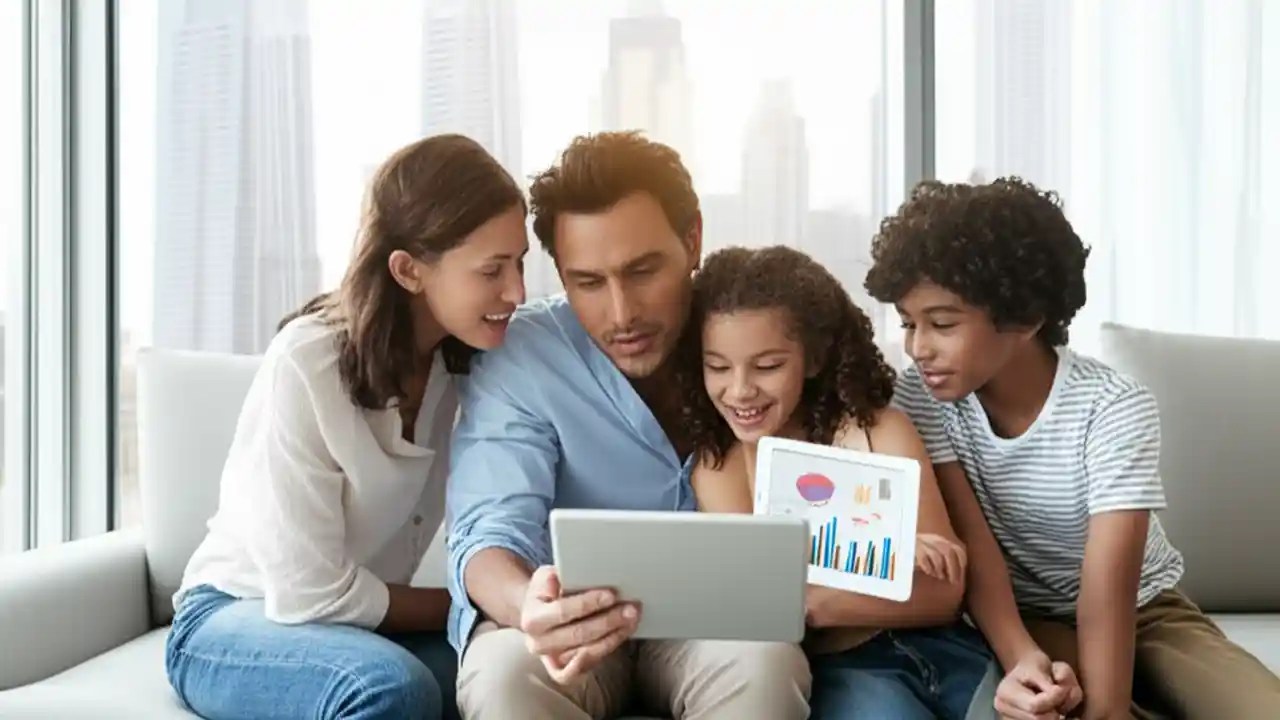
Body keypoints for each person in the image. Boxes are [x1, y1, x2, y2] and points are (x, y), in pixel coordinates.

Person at [865, 177, 1280, 720]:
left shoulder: (1113, 406)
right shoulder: (920, 395)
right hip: (1019, 615)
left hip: (1144, 608)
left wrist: (1108, 711)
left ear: (1024, 317)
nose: (919, 347)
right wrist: (1021, 658)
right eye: (908, 323)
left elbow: (1109, 590)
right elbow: (976, 545)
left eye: (942, 323)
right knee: (1060, 703)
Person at [445, 131, 811, 720]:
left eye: (643, 271)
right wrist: (527, 606)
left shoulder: (753, 335)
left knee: (763, 666)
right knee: (504, 675)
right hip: (570, 620)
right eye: (587, 282)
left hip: (715, 623)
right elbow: (487, 530)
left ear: (692, 239)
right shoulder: (526, 355)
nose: (622, 315)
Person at [164, 134, 528, 720]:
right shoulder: (307, 361)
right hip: (237, 616)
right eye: (492, 270)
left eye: (520, 262)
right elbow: (308, 593)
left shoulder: (463, 363)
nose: (516, 292)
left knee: (511, 670)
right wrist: (472, 602)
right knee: (392, 690)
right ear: (409, 271)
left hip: (354, 632)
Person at [676, 245, 997, 720]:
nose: (740, 389)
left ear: (813, 357)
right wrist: (884, 563)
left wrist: (806, 593)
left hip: (947, 650)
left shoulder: (878, 430)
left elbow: (942, 594)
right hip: (845, 670)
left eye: (767, 366)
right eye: (718, 366)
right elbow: (764, 608)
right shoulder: (717, 467)